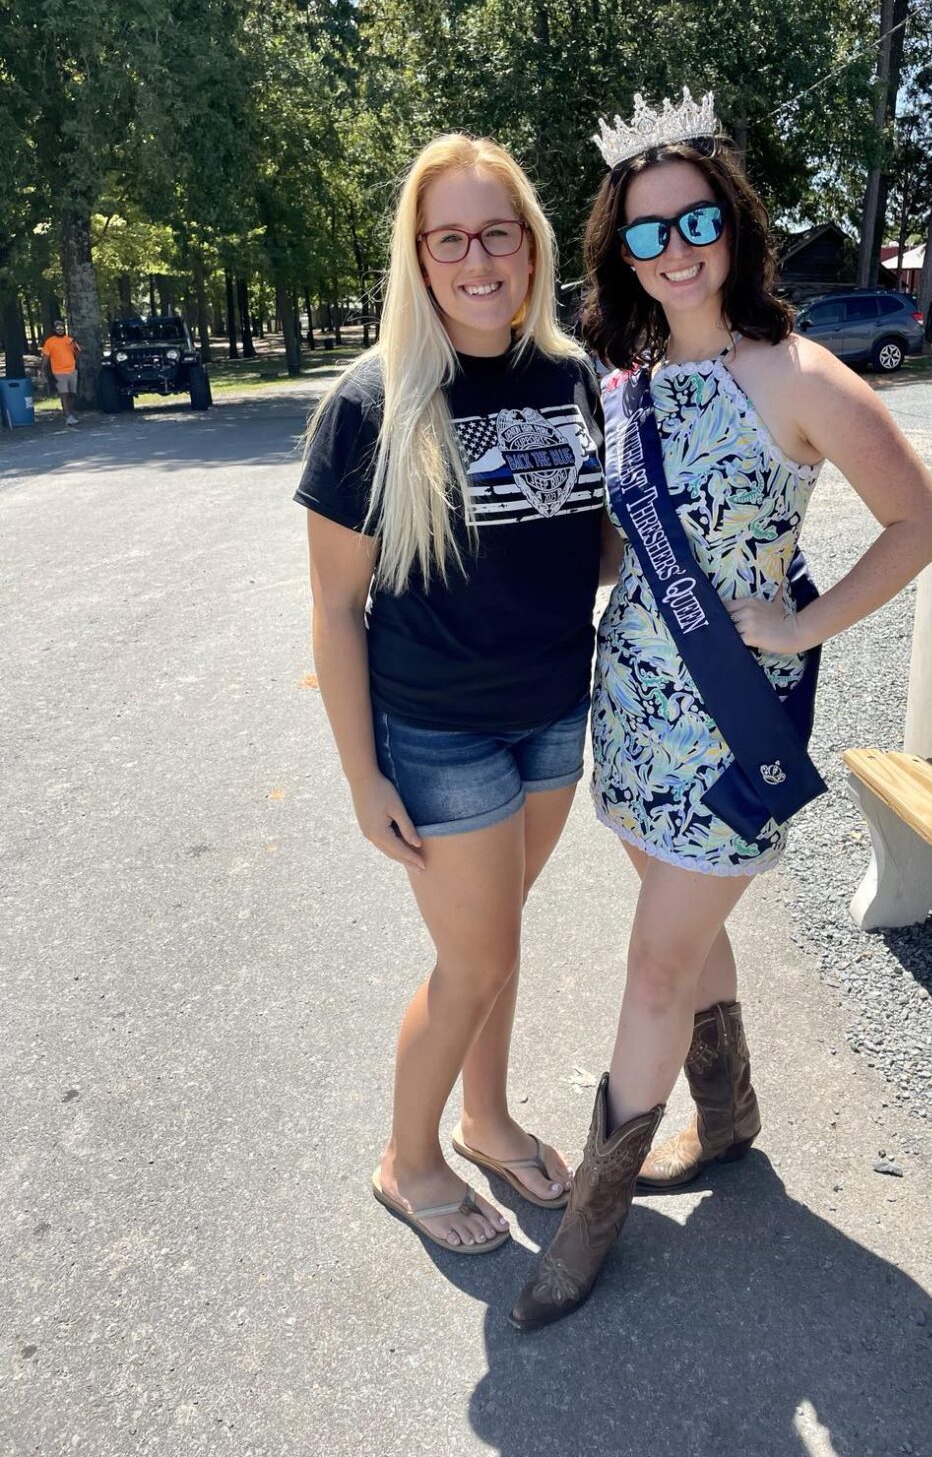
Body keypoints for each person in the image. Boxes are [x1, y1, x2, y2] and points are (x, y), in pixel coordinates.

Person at [512, 91, 932, 1328]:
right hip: (634, 704)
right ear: (622, 253)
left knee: (655, 959)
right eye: (647, 232)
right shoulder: (632, 380)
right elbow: (625, 544)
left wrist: (806, 625)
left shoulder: (801, 375)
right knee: (679, 923)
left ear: (735, 225)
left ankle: (591, 1215)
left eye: (696, 220)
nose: (675, 248)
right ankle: (729, 1112)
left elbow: (924, 522)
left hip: (731, 722)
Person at [295, 134, 608, 1253]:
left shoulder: (575, 378)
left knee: (500, 940)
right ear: (419, 258)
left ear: (531, 247)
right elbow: (337, 607)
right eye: (449, 240)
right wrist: (362, 777)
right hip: (439, 735)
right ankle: (409, 1159)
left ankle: (486, 1119)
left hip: (553, 715)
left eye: (497, 234)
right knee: (474, 959)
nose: (477, 260)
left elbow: (588, 552)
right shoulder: (373, 401)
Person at [40, 319, 82, 425]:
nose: (60, 330)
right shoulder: (50, 342)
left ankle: (70, 413)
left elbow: (77, 354)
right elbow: (45, 357)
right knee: (64, 393)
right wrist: (43, 370)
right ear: (54, 329)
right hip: (59, 372)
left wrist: (75, 349)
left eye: (62, 328)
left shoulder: (70, 340)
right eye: (58, 328)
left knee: (72, 393)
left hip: (71, 370)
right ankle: (67, 415)